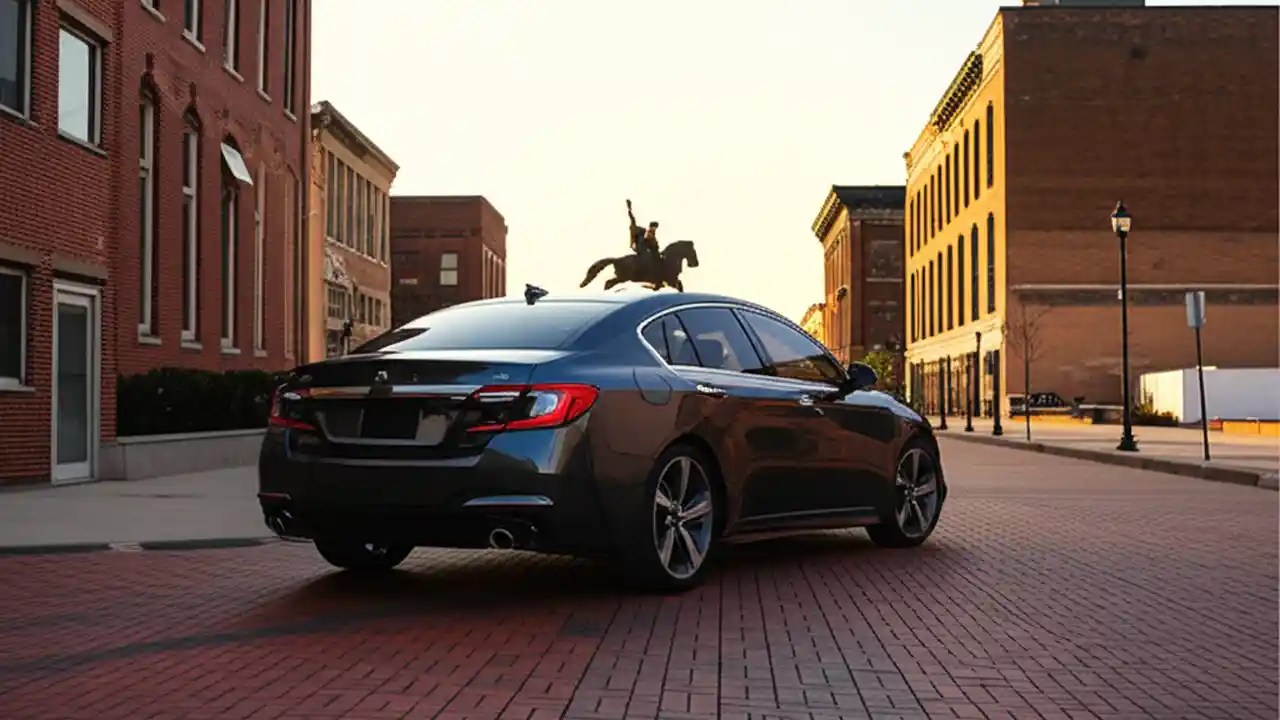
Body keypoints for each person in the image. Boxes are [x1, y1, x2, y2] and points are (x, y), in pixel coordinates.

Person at [626, 199, 660, 275]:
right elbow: (646, 240)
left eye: (655, 228)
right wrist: (629, 209)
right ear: (651, 227)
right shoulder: (647, 233)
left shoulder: (651, 234)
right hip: (643, 250)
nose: (654, 229)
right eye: (653, 227)